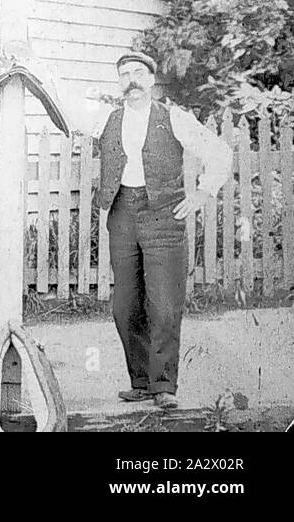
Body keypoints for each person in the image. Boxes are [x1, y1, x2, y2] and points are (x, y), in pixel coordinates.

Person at [88, 52, 231, 409]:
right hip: (122, 214)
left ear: (151, 80)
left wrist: (201, 192)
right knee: (125, 305)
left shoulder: (173, 118)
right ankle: (141, 381)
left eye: (138, 73)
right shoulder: (108, 118)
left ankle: (163, 385)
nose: (131, 80)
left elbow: (219, 152)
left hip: (163, 216)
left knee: (164, 305)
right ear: (119, 82)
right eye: (124, 75)